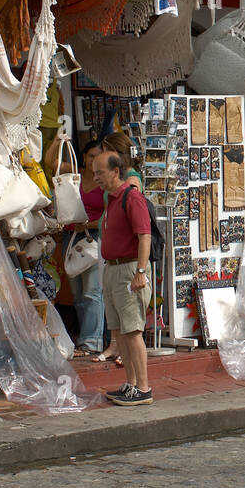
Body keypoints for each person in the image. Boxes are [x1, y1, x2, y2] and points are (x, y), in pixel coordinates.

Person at [92, 149, 156, 406]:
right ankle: (131, 384)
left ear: (115, 171)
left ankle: (143, 387)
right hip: (113, 268)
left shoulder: (132, 197)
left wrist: (140, 271)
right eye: (94, 172)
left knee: (132, 330)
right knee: (120, 332)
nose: (96, 177)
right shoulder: (112, 198)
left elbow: (144, 235)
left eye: (100, 172)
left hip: (129, 269)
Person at [51, 136, 108, 359]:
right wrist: (58, 140)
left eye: (98, 156)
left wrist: (89, 224)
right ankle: (87, 338)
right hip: (72, 237)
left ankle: (92, 341)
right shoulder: (75, 170)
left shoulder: (104, 180)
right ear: (84, 157)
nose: (94, 160)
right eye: (91, 156)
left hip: (93, 237)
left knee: (92, 291)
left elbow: (107, 214)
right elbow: (51, 162)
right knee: (77, 293)